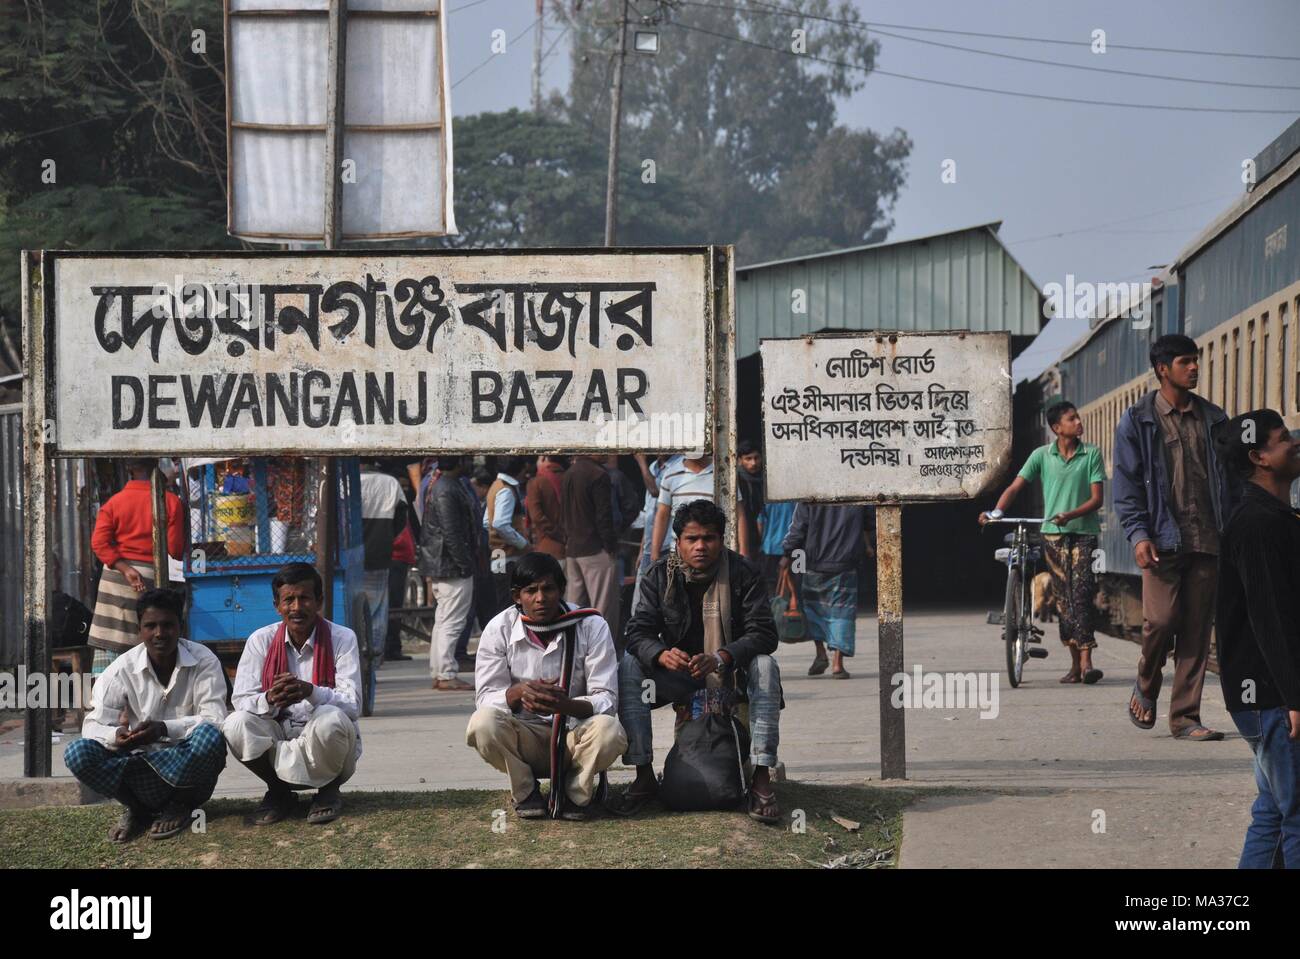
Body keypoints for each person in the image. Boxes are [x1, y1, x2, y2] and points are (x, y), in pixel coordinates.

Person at [612, 499, 783, 823]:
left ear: (722, 539)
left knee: (765, 665)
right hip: (679, 676)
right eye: (692, 539)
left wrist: (722, 656)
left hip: (733, 673)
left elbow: (764, 633)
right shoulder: (658, 574)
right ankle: (643, 773)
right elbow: (636, 632)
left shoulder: (743, 572)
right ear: (678, 542)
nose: (701, 546)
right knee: (630, 666)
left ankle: (761, 776)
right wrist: (661, 654)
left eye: (709, 538)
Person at [1114, 334, 1232, 740]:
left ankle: (1185, 718)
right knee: (1160, 622)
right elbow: (1127, 485)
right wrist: (1137, 533)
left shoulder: (1215, 419)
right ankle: (1147, 682)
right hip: (1162, 539)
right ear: (1163, 369)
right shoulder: (1137, 420)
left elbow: (1229, 480)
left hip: (1208, 538)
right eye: (1186, 361)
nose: (1195, 367)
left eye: (1196, 360)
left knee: (1197, 630)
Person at [466, 552, 626, 821]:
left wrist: (565, 705)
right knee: (482, 723)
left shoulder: (590, 624)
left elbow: (607, 699)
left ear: (561, 590)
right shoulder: (498, 629)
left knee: (610, 730)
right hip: (524, 735)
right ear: (517, 596)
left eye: (548, 589)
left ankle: (574, 794)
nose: (541, 598)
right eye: (531, 591)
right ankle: (526, 792)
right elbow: (485, 698)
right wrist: (519, 693)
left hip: (574, 734)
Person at [65, 588, 227, 843]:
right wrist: (117, 735)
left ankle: (180, 806)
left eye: (167, 625)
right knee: (78, 752)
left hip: (190, 767)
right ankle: (138, 810)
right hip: (142, 766)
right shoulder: (121, 668)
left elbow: (216, 720)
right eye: (150, 626)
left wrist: (164, 728)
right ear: (139, 629)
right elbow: (93, 724)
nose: (159, 633)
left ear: (180, 626)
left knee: (209, 738)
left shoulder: (204, 660)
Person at [1213, 409, 1300, 867]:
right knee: (1297, 817)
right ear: (1260, 457)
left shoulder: (1271, 516)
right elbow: (1273, 619)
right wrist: (1294, 697)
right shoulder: (1259, 524)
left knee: (1272, 811)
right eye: (1284, 438)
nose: (1294, 442)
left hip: (1262, 697)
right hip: (1271, 698)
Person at [222, 563, 363, 825]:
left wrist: (310, 691)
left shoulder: (342, 638)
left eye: (305, 598)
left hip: (326, 742)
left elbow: (353, 704)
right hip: (280, 735)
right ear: (277, 605)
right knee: (235, 723)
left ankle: (329, 789)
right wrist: (271, 699)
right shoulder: (260, 640)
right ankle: (279, 790)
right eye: (289, 600)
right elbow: (240, 699)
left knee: (330, 716)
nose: (297, 607)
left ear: (319, 601)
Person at [980, 400, 1106, 684]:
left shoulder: (1091, 455)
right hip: (1053, 536)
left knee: (1082, 595)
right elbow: (1015, 486)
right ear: (1057, 428)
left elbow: (1097, 499)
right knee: (1063, 601)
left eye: (1077, 417)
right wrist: (996, 512)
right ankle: (1075, 666)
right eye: (1072, 419)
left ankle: (1087, 664)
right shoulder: (1041, 455)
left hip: (1084, 534)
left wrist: (1069, 514)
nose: (1078, 422)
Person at [88, 458, 185, 675]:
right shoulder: (170, 501)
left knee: (110, 644)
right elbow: (175, 550)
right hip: (153, 576)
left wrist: (125, 569)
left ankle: (110, 697)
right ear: (157, 468)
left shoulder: (114, 503)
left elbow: (99, 543)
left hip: (116, 579)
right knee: (148, 643)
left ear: (129, 470)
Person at [781, 503, 873, 679]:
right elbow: (870, 521)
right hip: (845, 562)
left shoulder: (809, 494)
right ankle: (838, 663)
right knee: (842, 612)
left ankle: (820, 652)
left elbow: (798, 527)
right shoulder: (856, 490)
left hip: (814, 562)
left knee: (814, 610)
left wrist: (787, 553)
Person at [418, 456, 477, 691]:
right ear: (460, 461)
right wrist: (464, 564)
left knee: (444, 621)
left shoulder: (443, 484)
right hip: (451, 565)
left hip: (444, 563)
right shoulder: (447, 488)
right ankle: (445, 673)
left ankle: (441, 670)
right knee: (451, 622)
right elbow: (452, 531)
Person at [561, 454, 622, 641]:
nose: (608, 452)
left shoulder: (569, 473)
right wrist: (610, 545)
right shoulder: (597, 474)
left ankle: (572, 649)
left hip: (573, 549)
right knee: (603, 609)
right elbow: (604, 515)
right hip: (595, 548)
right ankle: (603, 649)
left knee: (573, 608)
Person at [358, 461, 407, 665]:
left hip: (350, 551)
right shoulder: (390, 482)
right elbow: (402, 516)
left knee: (353, 607)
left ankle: (357, 653)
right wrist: (387, 537)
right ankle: (375, 656)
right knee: (377, 608)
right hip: (380, 550)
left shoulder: (348, 482)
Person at [484, 456, 532, 615]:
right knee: (508, 604)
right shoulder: (506, 489)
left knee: (502, 598)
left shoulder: (495, 486)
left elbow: (487, 521)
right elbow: (500, 524)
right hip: (509, 556)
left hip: (498, 554)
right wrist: (523, 544)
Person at [649, 454, 714, 563]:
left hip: (713, 551)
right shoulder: (671, 474)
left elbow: (738, 513)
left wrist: (743, 552)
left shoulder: (722, 470)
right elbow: (662, 515)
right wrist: (655, 554)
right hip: (679, 554)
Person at [525, 455, 567, 560]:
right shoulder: (570, 478)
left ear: (545, 458)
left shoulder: (536, 482)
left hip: (547, 547)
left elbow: (536, 517)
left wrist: (558, 534)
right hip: (573, 549)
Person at [736, 440, 765, 563]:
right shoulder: (736, 481)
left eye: (756, 458)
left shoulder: (766, 479)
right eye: (748, 459)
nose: (753, 463)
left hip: (766, 537)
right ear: (739, 460)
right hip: (745, 534)